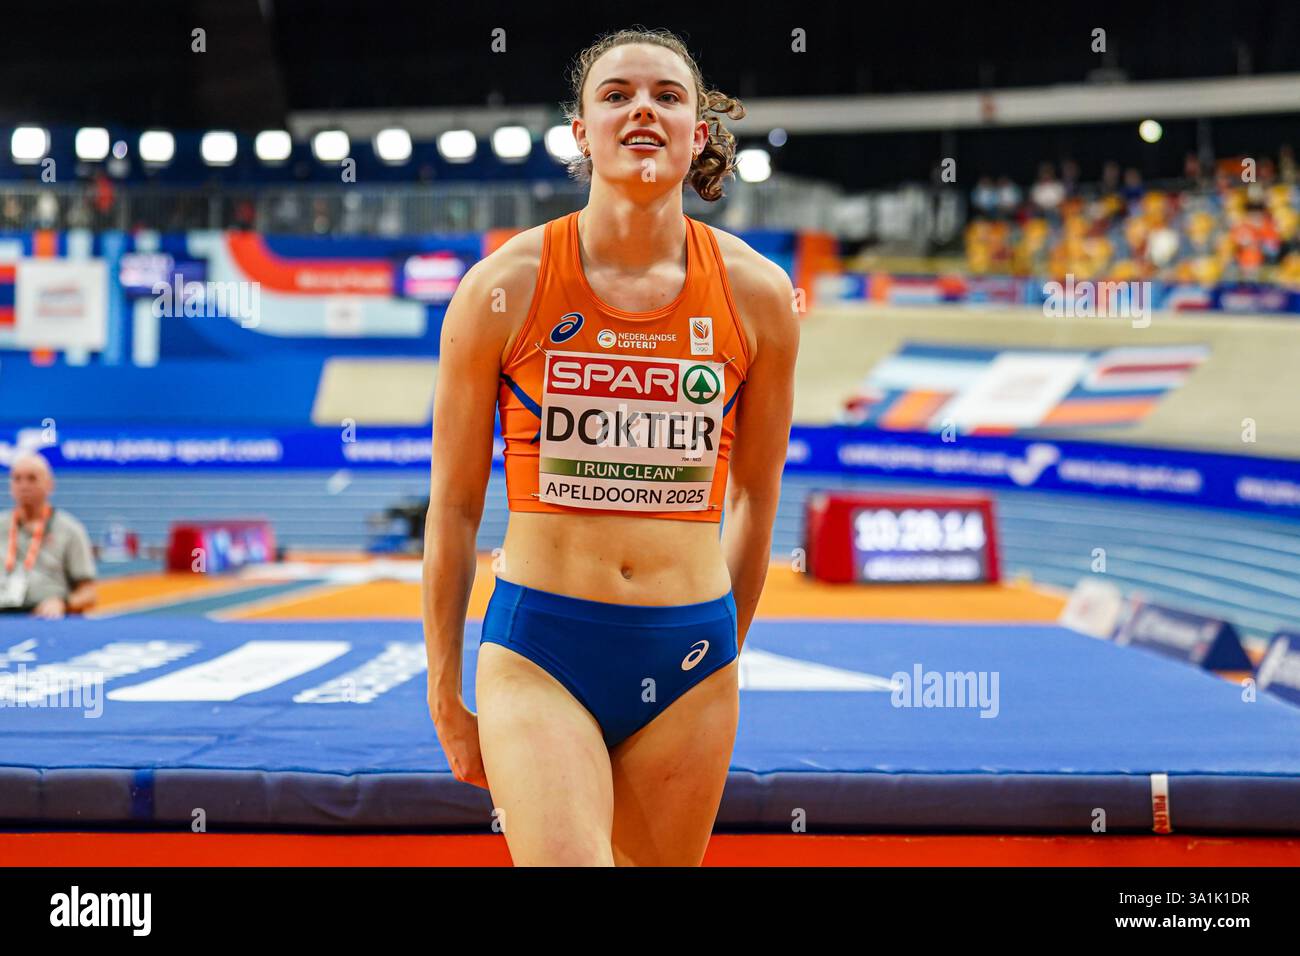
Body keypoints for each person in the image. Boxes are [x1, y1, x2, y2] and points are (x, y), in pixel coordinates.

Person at [421, 27, 799, 866]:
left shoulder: (760, 296)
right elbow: (451, 506)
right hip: (541, 651)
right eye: (616, 93)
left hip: (691, 656)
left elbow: (754, 497)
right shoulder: (501, 289)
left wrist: (717, 654)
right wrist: (444, 689)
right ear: (579, 133)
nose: (643, 109)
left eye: (668, 96)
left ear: (698, 133)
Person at [0, 451, 97, 618]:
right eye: (17, 479)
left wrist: (64, 603)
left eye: (32, 478)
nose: (24, 485)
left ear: (49, 484)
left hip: (48, 619)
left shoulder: (70, 530)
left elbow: (88, 593)